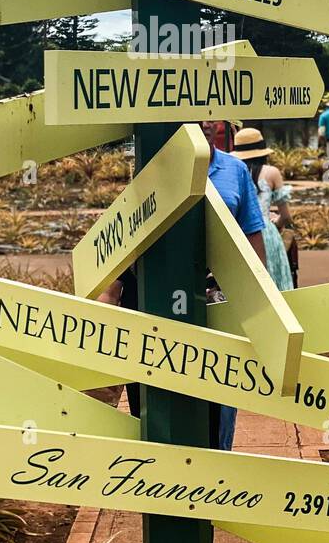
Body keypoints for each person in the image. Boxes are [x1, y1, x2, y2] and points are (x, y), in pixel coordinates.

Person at [98, 125, 265, 453]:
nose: (202, 122)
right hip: (151, 300)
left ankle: (209, 487)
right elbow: (129, 238)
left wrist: (260, 307)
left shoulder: (234, 170)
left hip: (213, 301)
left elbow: (252, 238)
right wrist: (107, 298)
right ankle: (160, 486)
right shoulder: (154, 167)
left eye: (208, 115)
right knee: (150, 399)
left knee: (215, 400)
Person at [230, 126, 295, 291]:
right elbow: (286, 216)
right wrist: (276, 223)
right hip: (266, 233)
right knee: (273, 283)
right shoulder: (271, 173)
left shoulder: (231, 172)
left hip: (238, 233)